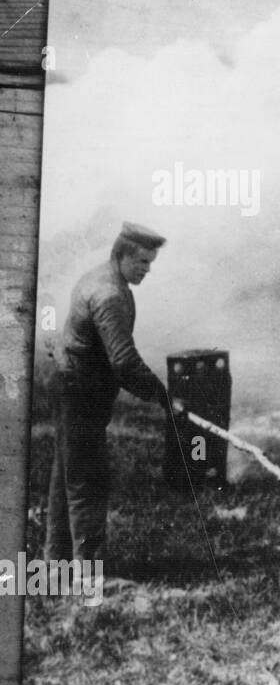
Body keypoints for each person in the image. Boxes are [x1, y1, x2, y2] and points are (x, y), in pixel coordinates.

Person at [45, 222, 170, 562]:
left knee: (67, 480)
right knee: (88, 484)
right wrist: (162, 395)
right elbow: (125, 361)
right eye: (142, 262)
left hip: (74, 389)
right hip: (80, 394)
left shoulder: (104, 278)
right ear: (121, 255)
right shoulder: (109, 294)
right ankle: (88, 578)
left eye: (150, 263)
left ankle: (55, 566)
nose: (146, 270)